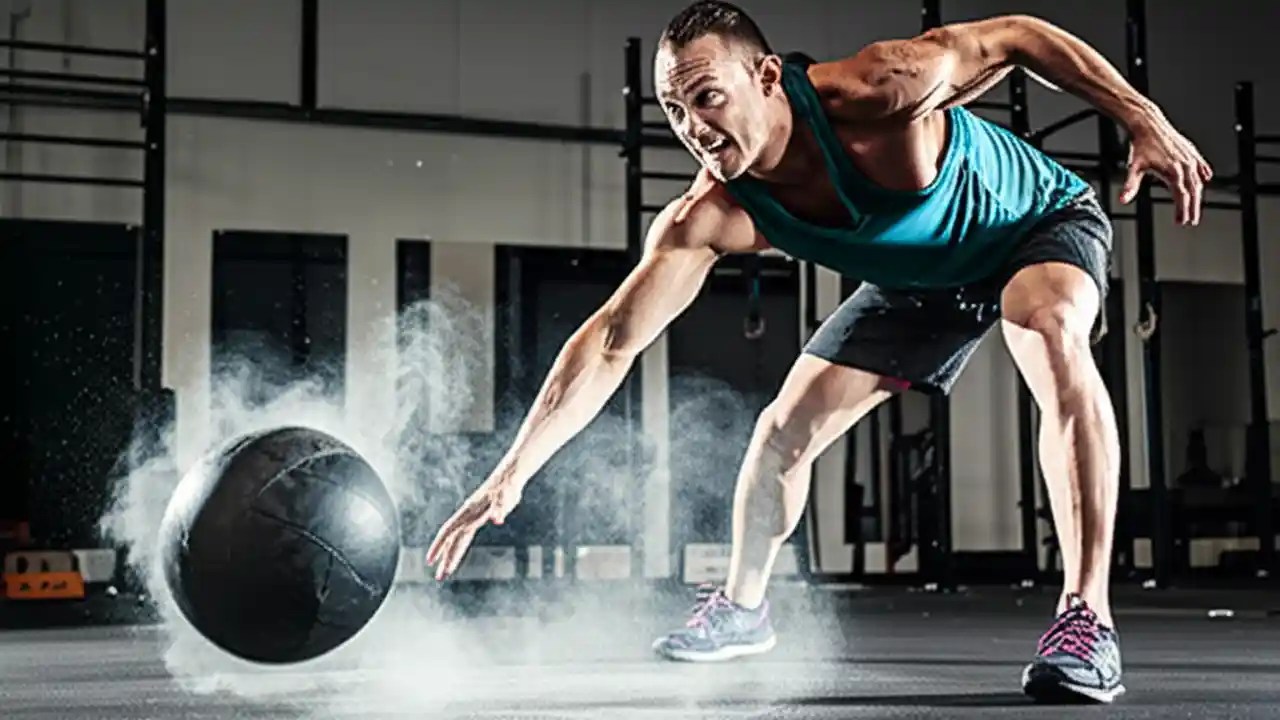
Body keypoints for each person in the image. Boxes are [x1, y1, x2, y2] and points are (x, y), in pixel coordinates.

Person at [426, 0, 1211, 704]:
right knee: (782, 431)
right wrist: (511, 474)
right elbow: (609, 340)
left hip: (1034, 227)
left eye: (708, 97)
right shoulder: (709, 213)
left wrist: (1141, 118)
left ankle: (1087, 621)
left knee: (1045, 328)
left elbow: (1018, 35)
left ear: (767, 76)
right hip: (918, 279)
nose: (694, 126)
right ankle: (741, 608)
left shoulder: (882, 87)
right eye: (674, 108)